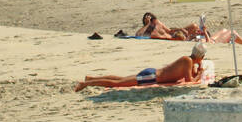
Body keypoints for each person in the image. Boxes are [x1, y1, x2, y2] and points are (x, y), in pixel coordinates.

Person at [74, 44, 207, 91]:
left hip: (152, 73)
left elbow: (188, 75)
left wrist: (198, 67)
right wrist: (200, 74)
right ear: (201, 56)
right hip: (152, 77)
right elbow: (190, 81)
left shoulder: (188, 60)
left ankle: (91, 78)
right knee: (118, 83)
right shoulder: (188, 61)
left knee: (122, 79)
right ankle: (86, 83)